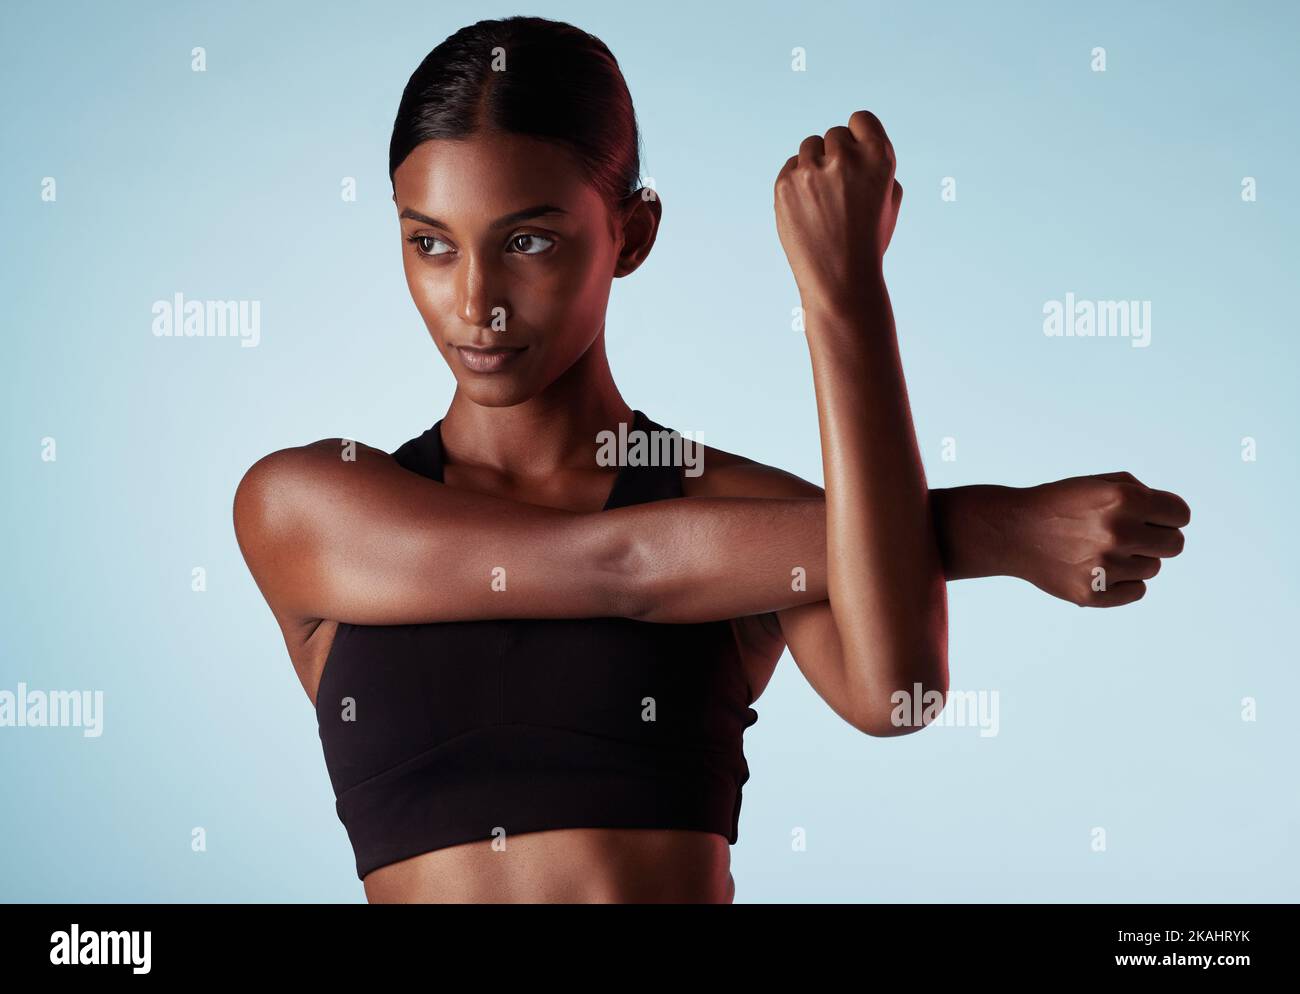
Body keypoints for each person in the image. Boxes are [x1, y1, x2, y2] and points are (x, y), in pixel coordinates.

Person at [232, 16, 1190, 903]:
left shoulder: (748, 512)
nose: (476, 301)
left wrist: (842, 290)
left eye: (529, 240)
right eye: (430, 244)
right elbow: (623, 566)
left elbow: (896, 694)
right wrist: (998, 527)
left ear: (633, 236)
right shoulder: (311, 504)